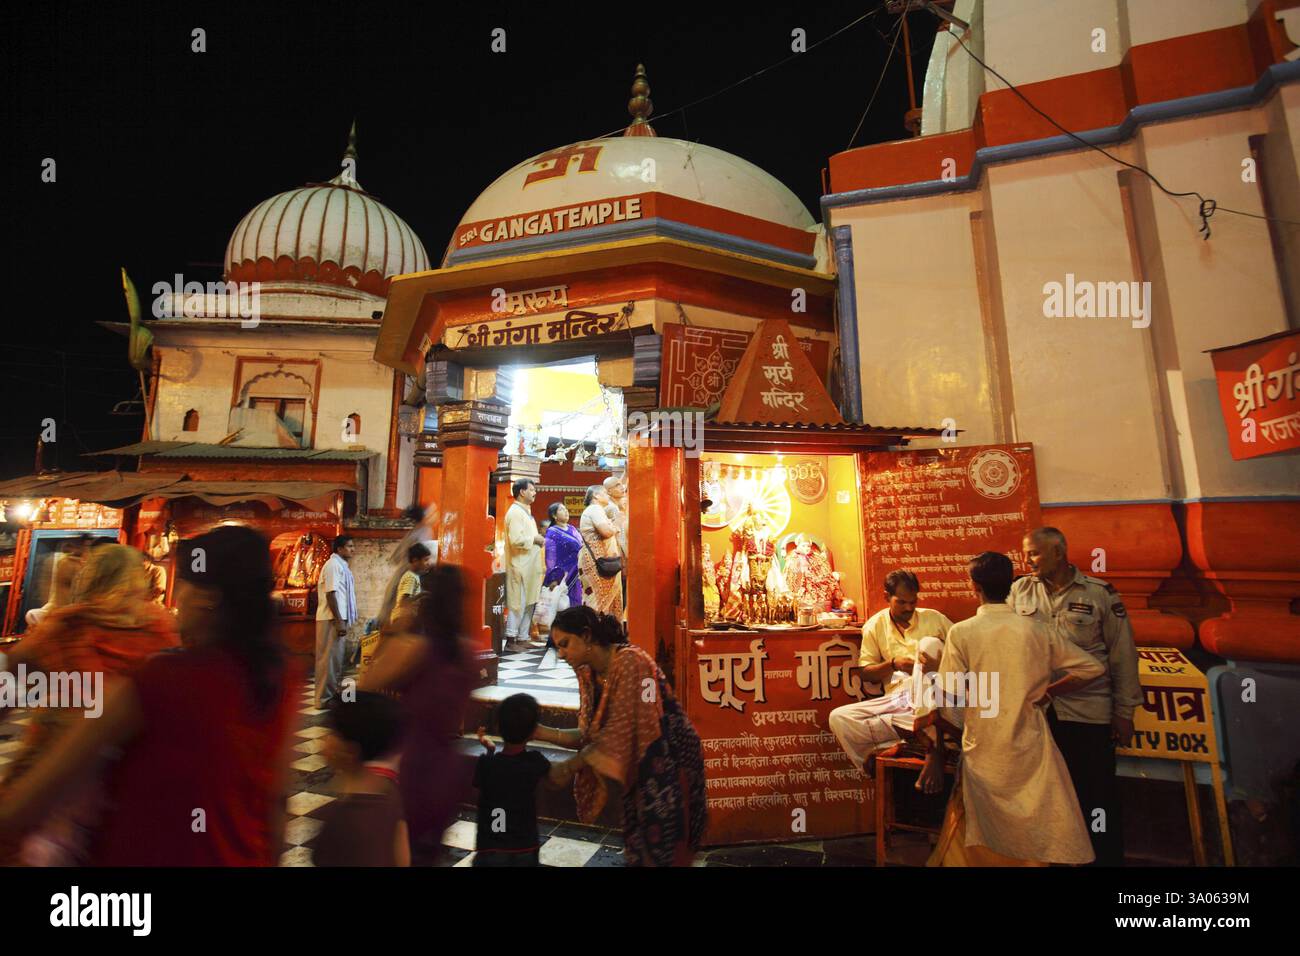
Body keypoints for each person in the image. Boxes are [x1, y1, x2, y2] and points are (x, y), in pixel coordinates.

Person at [0, 525, 300, 865]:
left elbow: (44, 786)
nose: (174, 601)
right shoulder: (283, 676)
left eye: (182, 587)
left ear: (206, 597)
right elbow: (277, 800)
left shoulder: (155, 676)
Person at [921, 551, 1104, 866]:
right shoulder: (1036, 629)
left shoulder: (963, 632)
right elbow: (1092, 669)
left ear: (973, 586)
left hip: (984, 737)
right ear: (1010, 584)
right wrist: (1047, 692)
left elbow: (950, 693)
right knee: (1033, 814)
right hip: (1029, 737)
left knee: (983, 823)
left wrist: (936, 670)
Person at [0, 544, 179, 865]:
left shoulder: (68, 625)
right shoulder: (162, 627)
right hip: (135, 775)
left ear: (91, 577)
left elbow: (12, 677)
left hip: (61, 766)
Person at [534, 606, 706, 866]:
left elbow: (617, 734)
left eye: (565, 644)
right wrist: (539, 732)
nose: (561, 654)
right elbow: (590, 734)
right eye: (558, 647)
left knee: (663, 850)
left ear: (588, 636)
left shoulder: (630, 662)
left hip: (667, 765)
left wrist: (569, 767)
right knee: (638, 845)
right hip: (636, 772)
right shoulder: (587, 672)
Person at [1010, 526, 1140, 867]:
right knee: (1048, 795)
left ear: (1059, 552)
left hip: (1087, 712)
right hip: (1040, 713)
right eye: (1026, 553)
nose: (1028, 560)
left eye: (1035, 553)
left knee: (1095, 794)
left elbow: (1122, 654)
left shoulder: (1099, 595)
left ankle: (1103, 860)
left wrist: (1124, 711)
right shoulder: (1020, 592)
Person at [359, 565, 476, 864]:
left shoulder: (414, 648)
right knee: (426, 853)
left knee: (398, 854)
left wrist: (394, 630)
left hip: (409, 769)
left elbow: (363, 686)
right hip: (447, 769)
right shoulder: (468, 652)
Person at [828, 570, 952, 773]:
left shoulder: (935, 620)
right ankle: (878, 762)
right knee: (838, 718)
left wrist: (935, 667)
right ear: (887, 597)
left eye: (913, 602)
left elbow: (963, 655)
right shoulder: (874, 626)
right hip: (897, 703)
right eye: (902, 602)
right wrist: (894, 664)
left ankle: (918, 737)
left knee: (928, 644)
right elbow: (866, 672)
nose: (909, 608)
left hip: (933, 701)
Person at [313, 691, 409, 867]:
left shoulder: (341, 818)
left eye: (332, 732)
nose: (324, 738)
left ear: (350, 751)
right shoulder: (391, 793)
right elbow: (403, 859)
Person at [472, 693, 552, 867]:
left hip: (491, 848)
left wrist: (490, 751)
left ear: (498, 727)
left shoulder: (486, 764)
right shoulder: (535, 761)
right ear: (533, 732)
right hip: (523, 847)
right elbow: (554, 779)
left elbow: (484, 786)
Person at [315, 535, 357, 708]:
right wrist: (339, 621)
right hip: (331, 618)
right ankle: (324, 699)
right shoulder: (333, 565)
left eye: (353, 546)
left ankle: (329, 695)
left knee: (335, 659)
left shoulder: (342, 566)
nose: (353, 549)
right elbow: (331, 593)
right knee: (328, 660)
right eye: (349, 546)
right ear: (339, 549)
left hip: (336, 617)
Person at [504, 479, 545, 653]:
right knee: (518, 602)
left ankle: (523, 637)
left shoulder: (526, 512)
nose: (535, 493)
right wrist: (535, 539)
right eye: (532, 490)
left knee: (529, 602)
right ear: (522, 492)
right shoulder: (515, 512)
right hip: (519, 565)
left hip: (530, 566)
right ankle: (511, 638)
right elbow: (516, 540)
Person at [578, 484, 623, 619]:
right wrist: (616, 525)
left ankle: (604, 635)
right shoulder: (595, 509)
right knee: (597, 600)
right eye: (604, 492)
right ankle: (593, 635)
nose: (608, 495)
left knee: (604, 599)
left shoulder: (597, 510)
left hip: (602, 562)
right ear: (596, 496)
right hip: (597, 563)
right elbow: (606, 531)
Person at [542, 502, 583, 643]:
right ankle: (558, 639)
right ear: (554, 515)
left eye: (566, 509)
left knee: (576, 605)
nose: (566, 511)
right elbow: (551, 555)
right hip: (563, 576)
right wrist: (553, 577)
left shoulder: (572, 529)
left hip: (577, 574)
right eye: (561, 510)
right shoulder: (552, 532)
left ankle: (574, 638)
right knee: (562, 608)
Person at [390, 543, 434, 625]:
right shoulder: (411, 577)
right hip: (401, 619)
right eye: (426, 560)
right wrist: (422, 594)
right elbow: (403, 602)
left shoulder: (413, 576)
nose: (428, 563)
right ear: (415, 561)